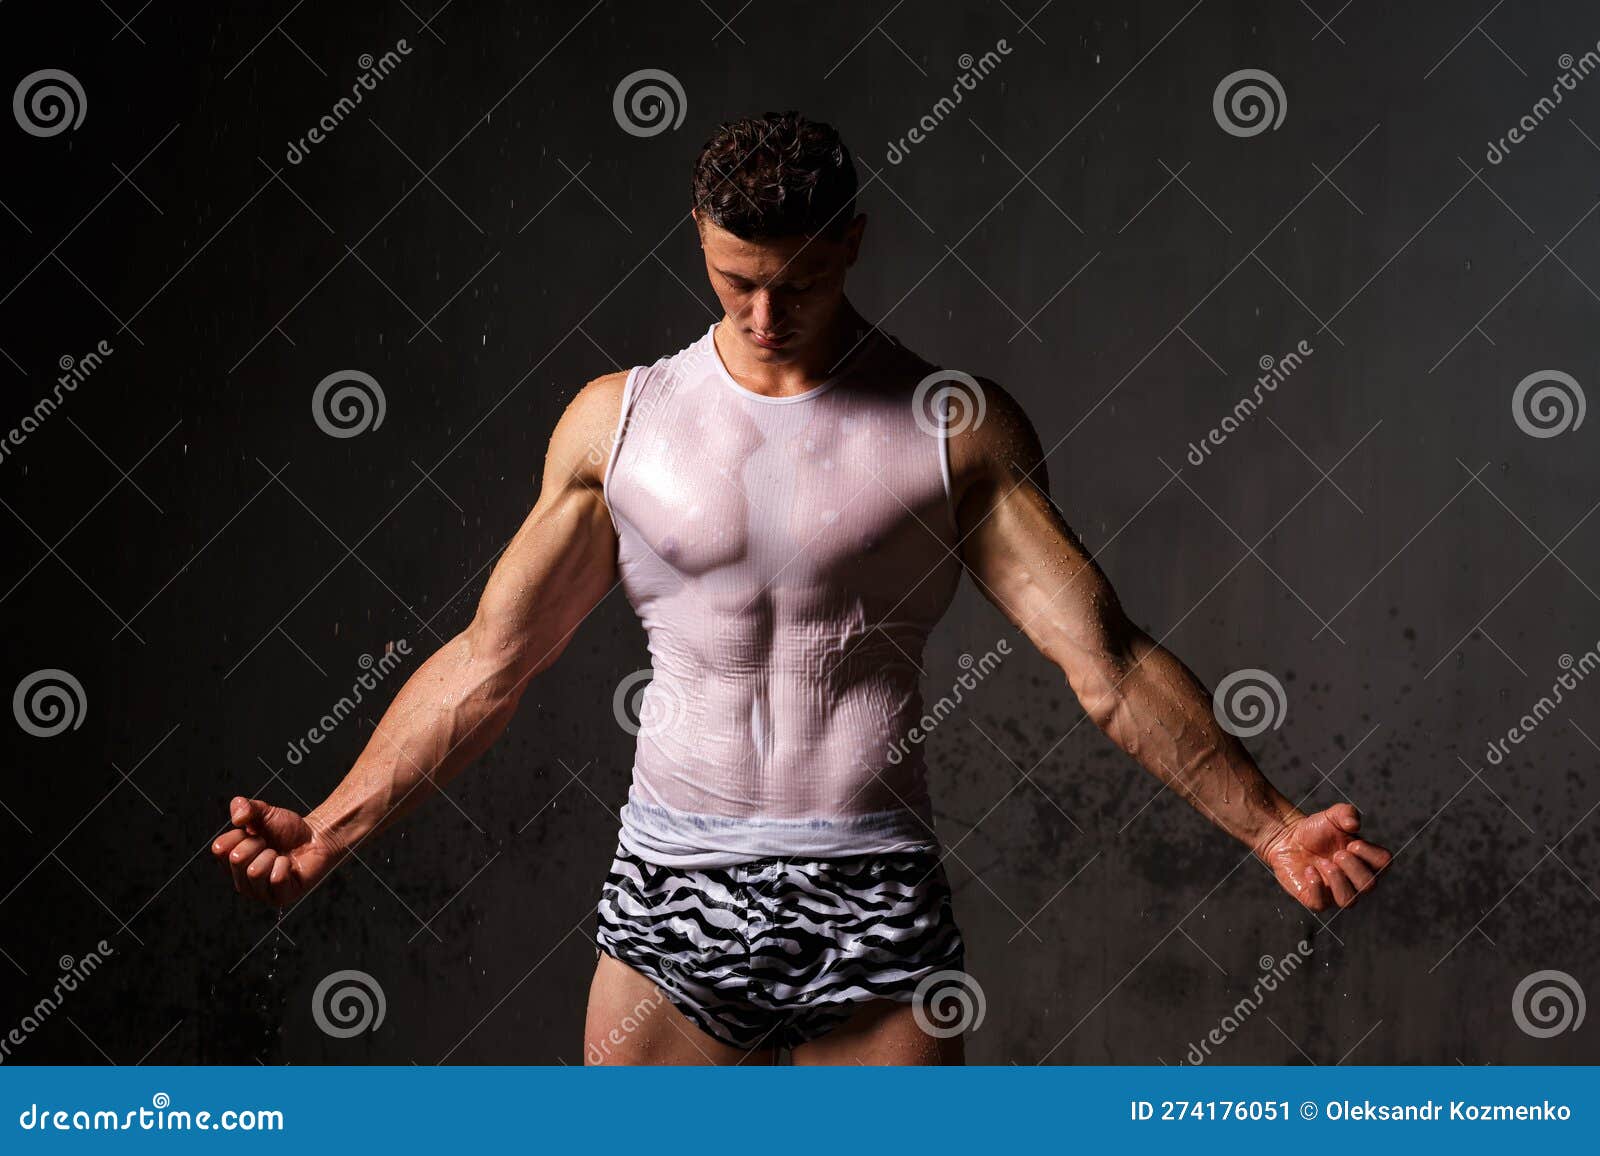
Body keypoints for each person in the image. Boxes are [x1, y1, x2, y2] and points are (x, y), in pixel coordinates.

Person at [212, 111, 1391, 1065]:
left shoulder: (949, 428)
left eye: (800, 283)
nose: (766, 316)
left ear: (853, 244)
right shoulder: (618, 424)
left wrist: (1271, 826)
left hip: (870, 886)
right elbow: (490, 662)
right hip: (672, 883)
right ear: (698, 239)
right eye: (736, 283)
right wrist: (329, 826)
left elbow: (1108, 663)